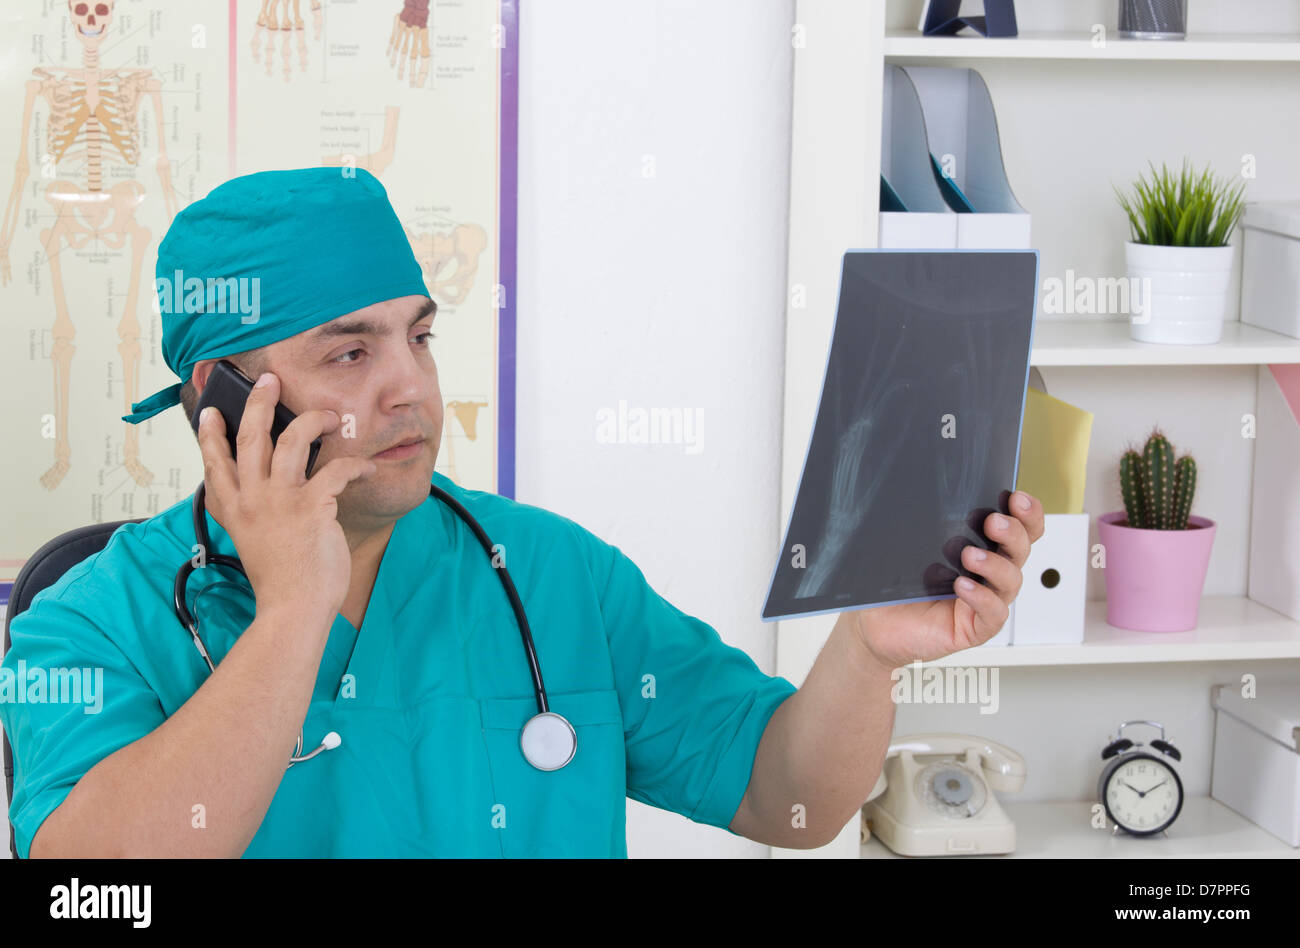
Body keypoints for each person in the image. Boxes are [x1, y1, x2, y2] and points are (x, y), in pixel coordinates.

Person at [0, 167, 1044, 857]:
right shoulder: (87, 624)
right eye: (350, 352)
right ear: (217, 404)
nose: (409, 386)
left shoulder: (546, 573)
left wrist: (866, 651)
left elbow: (794, 804)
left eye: (420, 336)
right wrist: (287, 616)